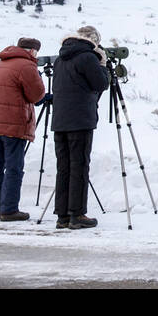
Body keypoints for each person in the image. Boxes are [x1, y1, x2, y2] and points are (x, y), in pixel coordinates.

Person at [50, 26, 110, 230]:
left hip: (60, 120)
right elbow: (101, 83)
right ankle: (77, 214)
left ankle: (62, 215)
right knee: (79, 166)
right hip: (80, 120)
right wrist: (102, 63)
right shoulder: (87, 58)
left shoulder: (60, 59)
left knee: (64, 168)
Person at [0, 36, 47, 222]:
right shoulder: (26, 66)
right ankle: (9, 209)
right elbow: (36, 96)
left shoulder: (0, 63)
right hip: (13, 125)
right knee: (13, 168)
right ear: (33, 51)